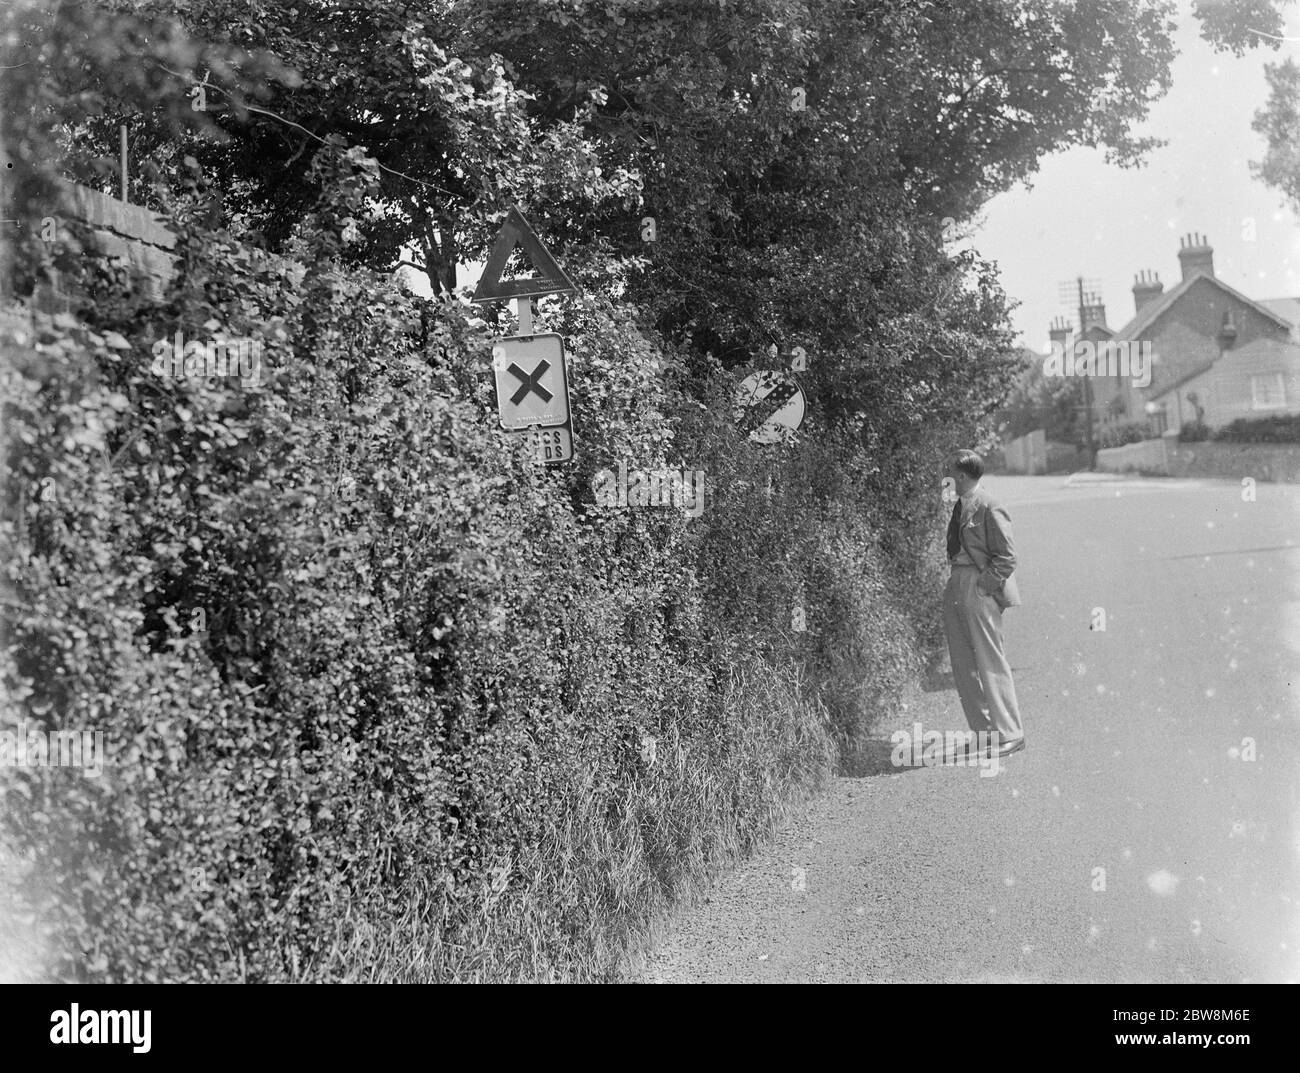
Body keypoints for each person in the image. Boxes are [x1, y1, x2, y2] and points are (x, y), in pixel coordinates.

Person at [942, 450, 1025, 757]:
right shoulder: (959, 504)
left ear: (962, 476)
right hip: (957, 584)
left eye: (949, 474)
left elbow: (1007, 557)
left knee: (990, 659)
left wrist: (982, 586)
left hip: (977, 585)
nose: (946, 479)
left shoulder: (990, 505)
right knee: (963, 664)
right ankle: (985, 733)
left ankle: (1010, 733)